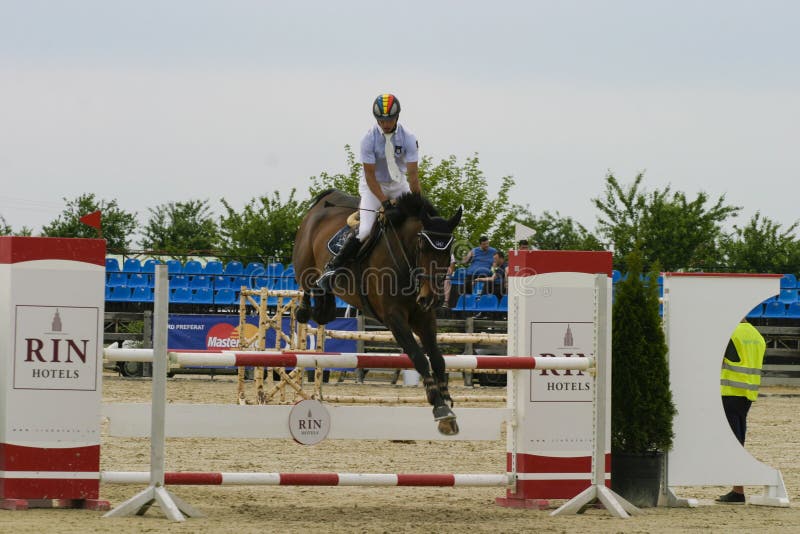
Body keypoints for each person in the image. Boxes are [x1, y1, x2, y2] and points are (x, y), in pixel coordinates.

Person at [318, 93, 420, 291]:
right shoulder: (368, 139)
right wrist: (385, 203)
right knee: (364, 230)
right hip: (374, 188)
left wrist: (418, 205)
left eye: (389, 119)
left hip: (399, 185)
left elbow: (414, 176)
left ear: (397, 117)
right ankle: (332, 268)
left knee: (416, 224)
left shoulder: (409, 137)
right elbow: (370, 176)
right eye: (381, 120)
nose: (385, 123)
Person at [715, 319, 766, 504]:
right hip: (747, 394)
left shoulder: (730, 333)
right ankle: (737, 489)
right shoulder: (756, 335)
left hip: (729, 392)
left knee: (734, 442)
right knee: (738, 439)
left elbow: (716, 361)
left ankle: (738, 490)